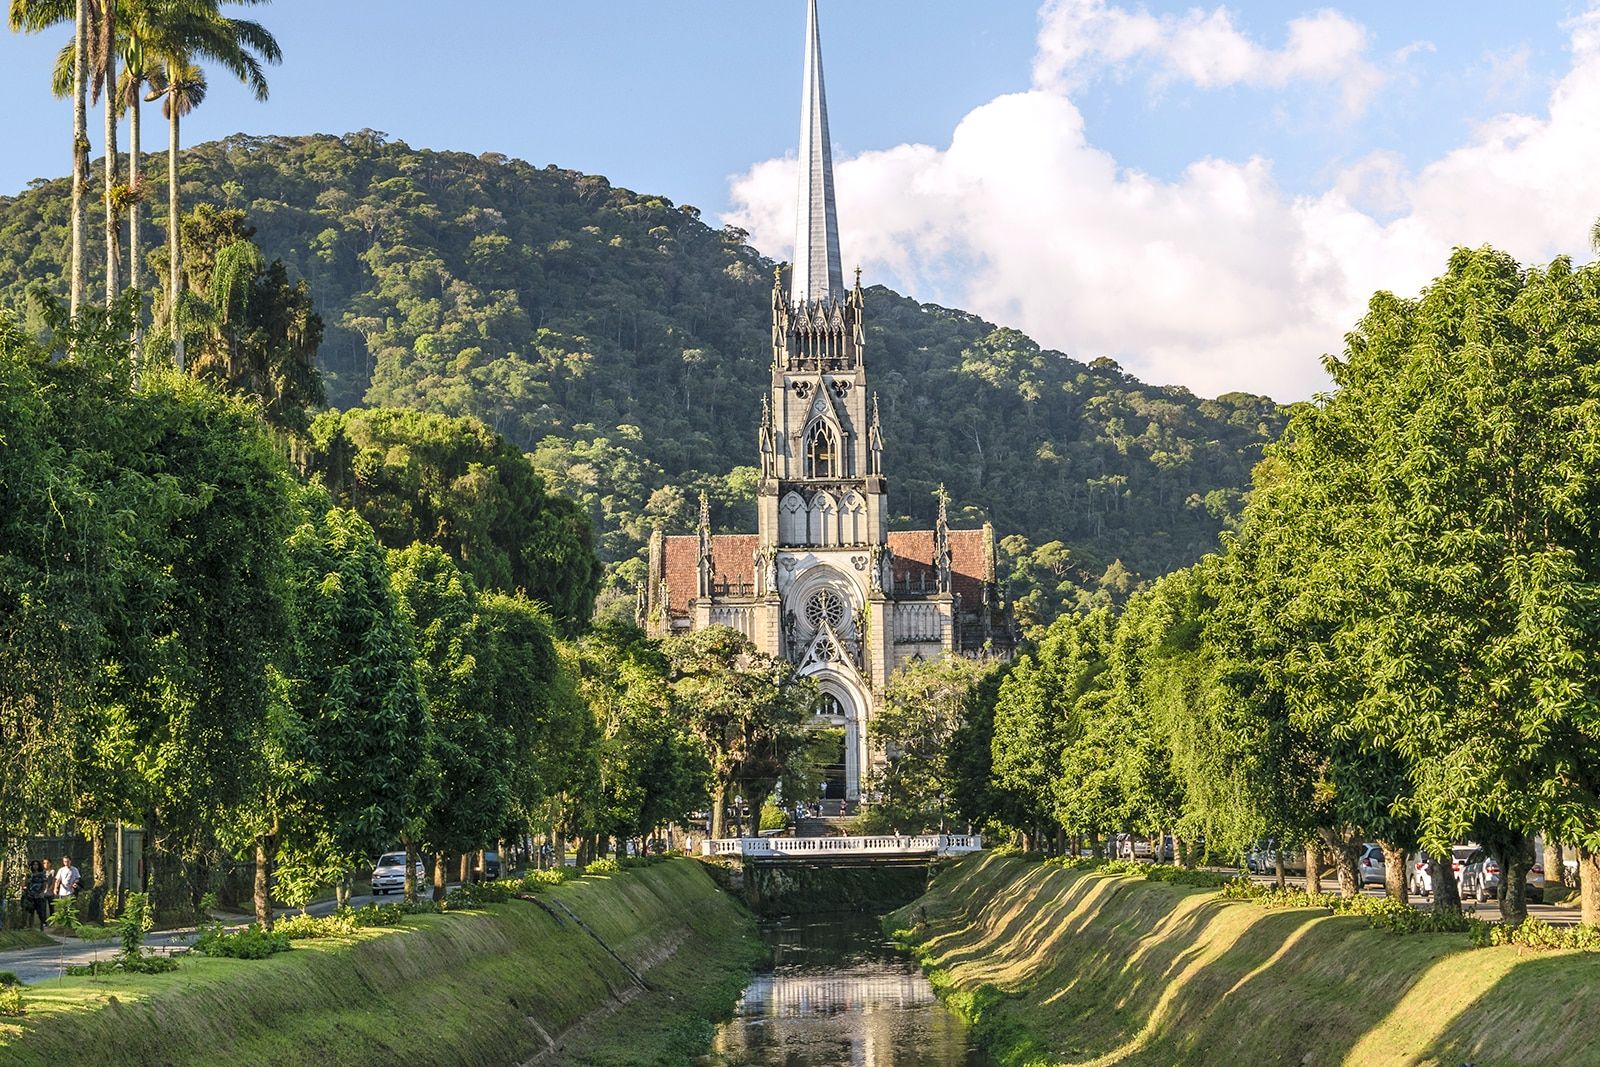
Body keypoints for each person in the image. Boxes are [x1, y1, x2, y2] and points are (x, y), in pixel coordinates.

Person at [23, 860, 51, 930]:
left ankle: (42, 926)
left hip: (38, 895)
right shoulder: (29, 874)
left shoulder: (41, 874)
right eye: (34, 865)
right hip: (30, 895)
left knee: (40, 912)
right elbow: (25, 883)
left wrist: (42, 892)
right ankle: (30, 926)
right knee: (30, 911)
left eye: (36, 865)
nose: (35, 866)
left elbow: (44, 883)